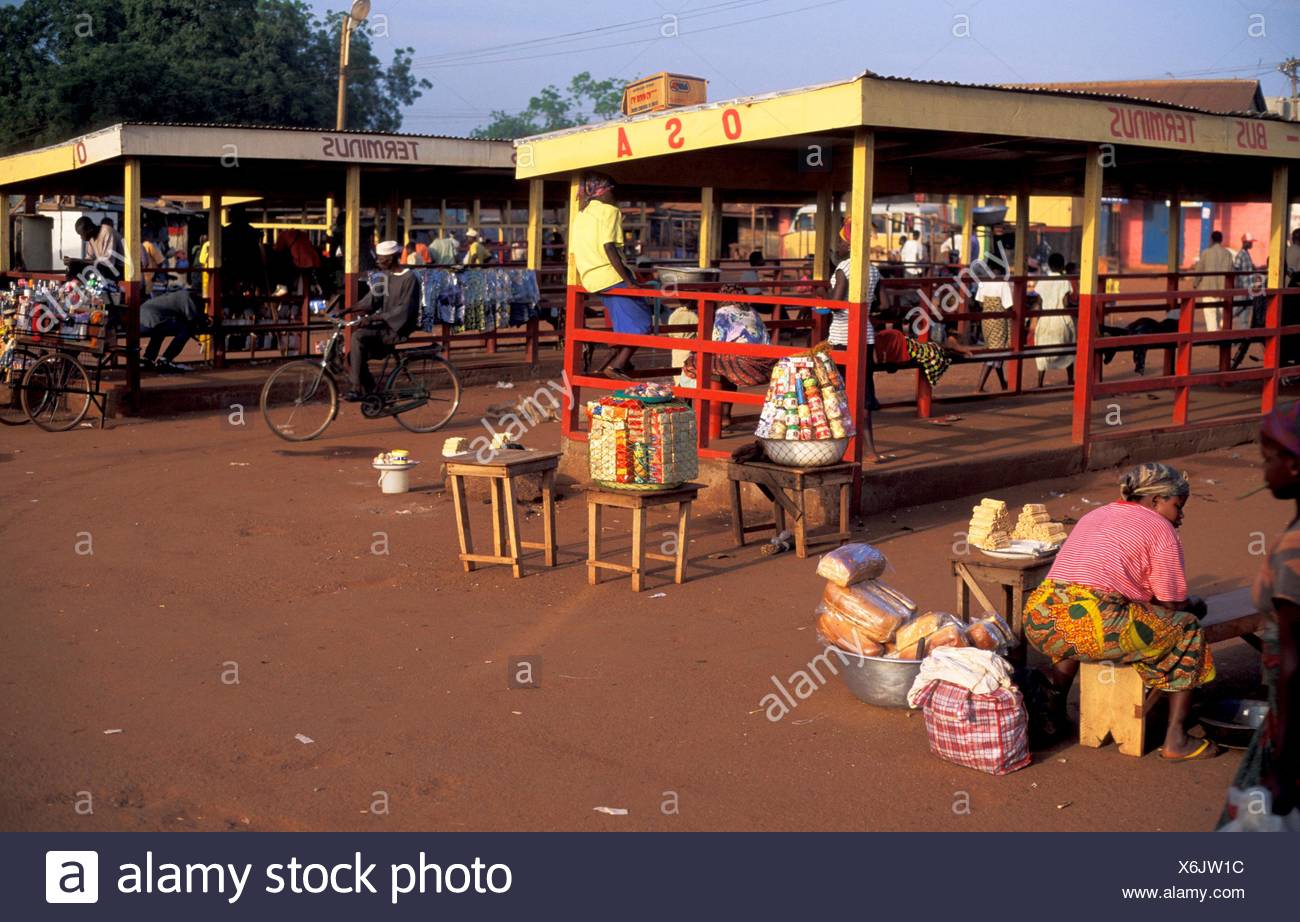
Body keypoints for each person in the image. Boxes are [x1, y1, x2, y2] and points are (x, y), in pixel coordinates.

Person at [1022, 463, 1215, 758]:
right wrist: (1193, 607)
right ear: (1155, 501)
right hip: (1093, 620)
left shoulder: (1095, 514)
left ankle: (1054, 711)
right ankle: (1176, 738)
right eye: (1177, 506)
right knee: (1186, 629)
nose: (1180, 516)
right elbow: (1171, 603)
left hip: (1040, 615)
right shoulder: (1160, 528)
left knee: (1081, 621)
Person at [1225, 403, 1300, 817]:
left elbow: (1292, 663)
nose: (1262, 471)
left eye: (1268, 460)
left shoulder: (1293, 552)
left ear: (1293, 465)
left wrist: (1284, 768)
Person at [571, 172, 650, 380]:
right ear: (604, 191)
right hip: (610, 276)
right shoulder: (610, 211)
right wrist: (629, 282)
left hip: (590, 278)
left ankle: (621, 361)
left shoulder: (582, 215)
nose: (615, 196)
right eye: (613, 191)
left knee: (624, 323)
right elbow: (609, 246)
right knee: (643, 323)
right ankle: (617, 365)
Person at [824, 218, 886, 460]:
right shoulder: (873, 270)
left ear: (849, 244)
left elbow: (837, 303)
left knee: (836, 391)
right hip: (866, 337)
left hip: (841, 337)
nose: (837, 245)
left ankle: (838, 446)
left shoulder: (844, 269)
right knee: (864, 391)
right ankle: (870, 449)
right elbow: (887, 303)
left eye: (840, 240)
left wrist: (824, 297)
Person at [681, 284, 775, 430]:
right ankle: (725, 415)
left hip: (745, 365)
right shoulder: (753, 312)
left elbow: (716, 341)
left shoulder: (724, 313)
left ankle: (686, 410)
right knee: (725, 367)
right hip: (766, 365)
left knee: (693, 362)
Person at [345, 240, 421, 401]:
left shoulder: (409, 278)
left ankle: (356, 387)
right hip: (385, 325)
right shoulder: (386, 276)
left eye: (382, 258)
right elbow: (372, 298)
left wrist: (373, 318)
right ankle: (373, 394)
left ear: (393, 258)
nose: (378, 261)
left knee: (357, 337)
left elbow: (403, 310)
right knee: (353, 357)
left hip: (397, 328)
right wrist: (349, 309)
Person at [1029, 252, 1076, 387]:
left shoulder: (1043, 281)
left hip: (1045, 321)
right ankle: (1070, 379)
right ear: (1062, 266)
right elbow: (1066, 303)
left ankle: (1040, 383)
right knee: (1069, 350)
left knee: (1042, 352)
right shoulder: (1065, 281)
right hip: (1061, 320)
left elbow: (1038, 302)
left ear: (1049, 266)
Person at [138, 289, 211, 372]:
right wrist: (203, 321)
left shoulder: (176, 296)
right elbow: (191, 319)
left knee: (161, 331)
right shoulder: (188, 298)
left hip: (140, 321)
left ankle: (148, 358)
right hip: (152, 320)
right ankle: (165, 360)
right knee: (185, 331)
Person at [973, 261, 1013, 392]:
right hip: (998, 321)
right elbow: (1008, 306)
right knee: (995, 353)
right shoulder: (1003, 283)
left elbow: (979, 303)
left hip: (986, 320)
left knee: (994, 351)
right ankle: (979, 386)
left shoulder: (984, 282)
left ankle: (1003, 383)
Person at [1231, 231, 1266, 369]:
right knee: (1238, 311)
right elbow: (1236, 272)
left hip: (1249, 289)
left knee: (1245, 317)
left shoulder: (1246, 255)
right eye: (1250, 242)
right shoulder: (1240, 255)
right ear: (1244, 242)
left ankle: (1242, 340)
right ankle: (1225, 321)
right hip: (1243, 288)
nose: (1251, 244)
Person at [1192, 230, 1235, 332]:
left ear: (1211, 240)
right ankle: (1222, 336)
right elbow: (1231, 272)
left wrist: (1195, 283)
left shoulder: (1206, 253)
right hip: (1223, 289)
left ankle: (1213, 337)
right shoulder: (1227, 254)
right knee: (1222, 314)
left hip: (1208, 289)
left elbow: (1199, 270)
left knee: (1210, 314)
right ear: (1221, 240)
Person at [64, 216, 121, 283]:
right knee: (75, 265)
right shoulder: (91, 237)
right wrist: (73, 262)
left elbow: (108, 262)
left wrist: (77, 260)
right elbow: (89, 259)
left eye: (82, 234)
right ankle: (72, 285)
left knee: (93, 267)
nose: (81, 238)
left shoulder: (106, 232)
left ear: (89, 229)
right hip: (103, 267)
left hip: (117, 269)